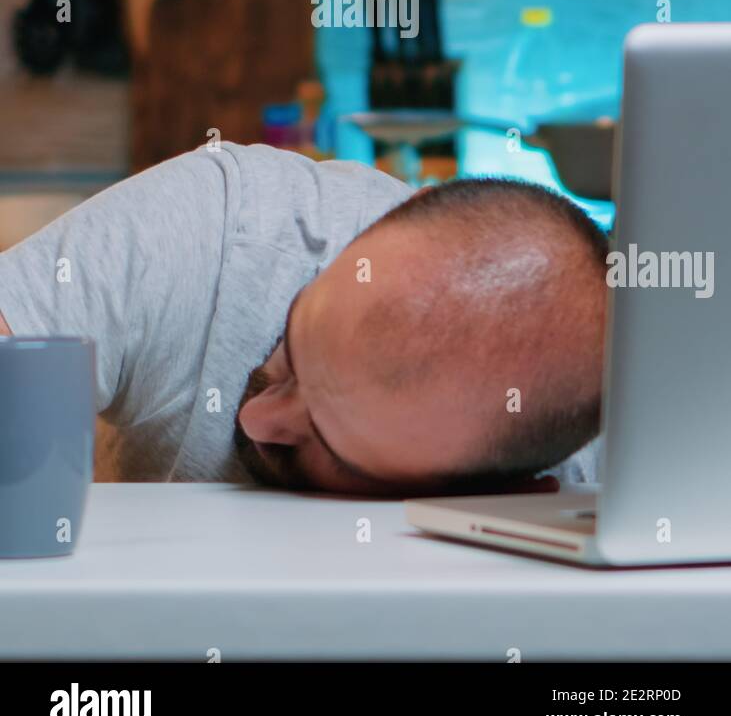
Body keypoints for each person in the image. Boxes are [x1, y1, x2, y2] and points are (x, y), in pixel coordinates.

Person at [0, 141, 607, 496]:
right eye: (292, 346)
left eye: (330, 447)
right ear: (392, 217)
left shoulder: (582, 495)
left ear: (509, 495)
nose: (257, 418)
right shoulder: (218, 222)